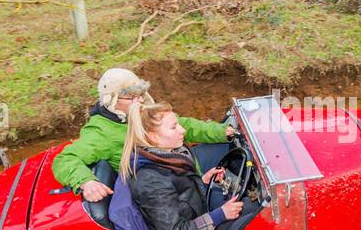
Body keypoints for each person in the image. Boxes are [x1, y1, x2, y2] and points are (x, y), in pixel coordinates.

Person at [50, 68, 232, 202]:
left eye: (140, 94)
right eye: (131, 97)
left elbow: (184, 126)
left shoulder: (141, 109)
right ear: (111, 100)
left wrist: (223, 132)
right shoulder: (101, 133)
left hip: (184, 170)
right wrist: (86, 182)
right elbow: (65, 159)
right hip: (172, 191)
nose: (140, 100)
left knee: (228, 147)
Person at [108, 102, 244, 230]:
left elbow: (177, 191)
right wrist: (220, 215)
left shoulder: (166, 155)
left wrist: (203, 181)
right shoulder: (150, 180)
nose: (183, 130)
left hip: (194, 214)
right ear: (153, 137)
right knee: (249, 216)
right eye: (174, 127)